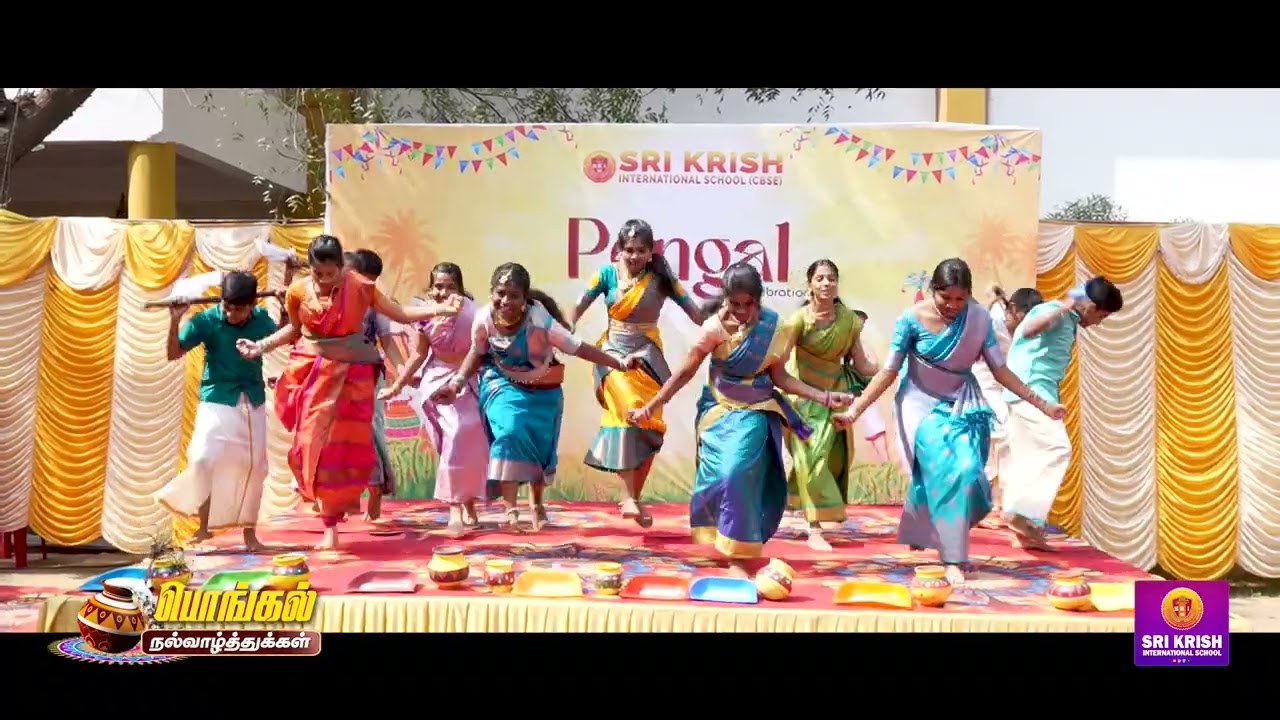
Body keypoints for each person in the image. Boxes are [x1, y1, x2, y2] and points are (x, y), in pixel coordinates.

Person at [832, 258, 1065, 585]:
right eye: (946, 298)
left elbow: (1000, 370)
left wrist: (1042, 402)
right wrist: (855, 411)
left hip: (963, 404)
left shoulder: (979, 319)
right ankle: (953, 558)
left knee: (970, 473)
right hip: (919, 404)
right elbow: (888, 372)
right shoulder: (910, 320)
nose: (954, 306)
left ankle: (927, 523)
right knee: (945, 471)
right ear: (932, 292)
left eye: (960, 299)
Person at [236, 234, 457, 551]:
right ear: (310, 268)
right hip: (312, 374)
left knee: (342, 452)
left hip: (353, 377)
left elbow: (400, 314)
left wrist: (438, 310)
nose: (324, 280)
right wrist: (260, 346)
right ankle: (324, 514)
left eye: (331, 273)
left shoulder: (361, 288)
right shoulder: (298, 292)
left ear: (342, 268)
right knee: (311, 445)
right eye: (318, 274)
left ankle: (332, 529)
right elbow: (294, 330)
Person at [628, 263, 853, 562]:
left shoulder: (773, 326)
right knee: (716, 478)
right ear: (725, 299)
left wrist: (823, 397)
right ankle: (724, 541)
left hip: (756, 410)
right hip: (718, 409)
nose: (742, 311)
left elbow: (780, 377)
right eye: (734, 304)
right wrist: (651, 405)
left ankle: (740, 554)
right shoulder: (713, 329)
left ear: (758, 299)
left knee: (737, 472)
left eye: (748, 305)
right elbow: (684, 372)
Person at [429, 262, 642, 532]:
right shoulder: (483, 318)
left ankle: (537, 505)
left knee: (539, 450)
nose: (505, 300)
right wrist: (457, 381)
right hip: (501, 385)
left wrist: (619, 363)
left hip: (544, 392)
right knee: (509, 433)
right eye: (500, 293)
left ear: (525, 298)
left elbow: (579, 348)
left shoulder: (540, 320)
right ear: (491, 292)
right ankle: (510, 510)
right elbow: (477, 352)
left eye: (513, 295)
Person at [565, 219, 703, 527]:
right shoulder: (605, 275)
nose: (634, 256)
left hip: (649, 360)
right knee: (629, 411)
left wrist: (728, 316)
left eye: (641, 250)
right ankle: (628, 497)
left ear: (651, 252)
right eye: (628, 250)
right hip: (612, 355)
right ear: (619, 249)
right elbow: (578, 306)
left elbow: (696, 313)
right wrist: (568, 328)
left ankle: (634, 498)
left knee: (648, 426)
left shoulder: (662, 278)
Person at [157, 269, 288, 551]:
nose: (231, 314)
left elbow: (283, 338)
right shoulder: (205, 320)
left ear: (252, 305)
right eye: (227, 307)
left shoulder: (262, 319)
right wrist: (175, 318)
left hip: (251, 398)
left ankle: (250, 537)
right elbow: (172, 353)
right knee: (203, 459)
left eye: (238, 309)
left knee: (255, 467)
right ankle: (203, 529)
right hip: (216, 396)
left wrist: (287, 308)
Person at [1000, 276, 1123, 550]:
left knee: (1028, 454)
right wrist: (1065, 306)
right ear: (1090, 307)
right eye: (1100, 316)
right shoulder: (1053, 310)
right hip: (1031, 392)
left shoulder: (1068, 320)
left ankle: (1024, 528)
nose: (1098, 323)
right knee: (1058, 449)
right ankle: (1023, 514)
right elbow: (1028, 328)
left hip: (1031, 394)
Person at [382, 262, 489, 537]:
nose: (443, 292)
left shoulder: (475, 314)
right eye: (438, 287)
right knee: (451, 441)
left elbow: (481, 351)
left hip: (469, 381)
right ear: (431, 290)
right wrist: (397, 386)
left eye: (450, 287)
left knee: (469, 444)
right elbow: (418, 355)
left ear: (461, 289)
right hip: (435, 383)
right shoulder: (425, 316)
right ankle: (455, 509)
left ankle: (468, 504)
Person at [783, 260, 879, 551]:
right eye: (820, 278)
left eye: (831, 279)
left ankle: (796, 503)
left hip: (837, 401)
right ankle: (814, 529)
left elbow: (862, 363)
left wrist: (890, 367)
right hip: (803, 401)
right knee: (811, 461)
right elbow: (780, 366)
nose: (826, 284)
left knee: (830, 460)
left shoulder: (848, 321)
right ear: (810, 283)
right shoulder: (797, 321)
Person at [343, 249, 409, 522]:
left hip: (368, 377)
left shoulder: (374, 305)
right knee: (340, 438)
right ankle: (340, 501)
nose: (366, 285)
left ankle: (376, 495)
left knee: (371, 434)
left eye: (372, 281)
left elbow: (388, 344)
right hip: (336, 378)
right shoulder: (330, 300)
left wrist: (405, 372)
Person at [972, 285, 1043, 526]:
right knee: (997, 436)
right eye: (1023, 319)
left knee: (1011, 439)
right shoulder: (991, 320)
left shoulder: (1030, 326)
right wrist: (990, 301)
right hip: (982, 385)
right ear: (1012, 310)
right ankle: (982, 506)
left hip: (1007, 389)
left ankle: (1003, 503)